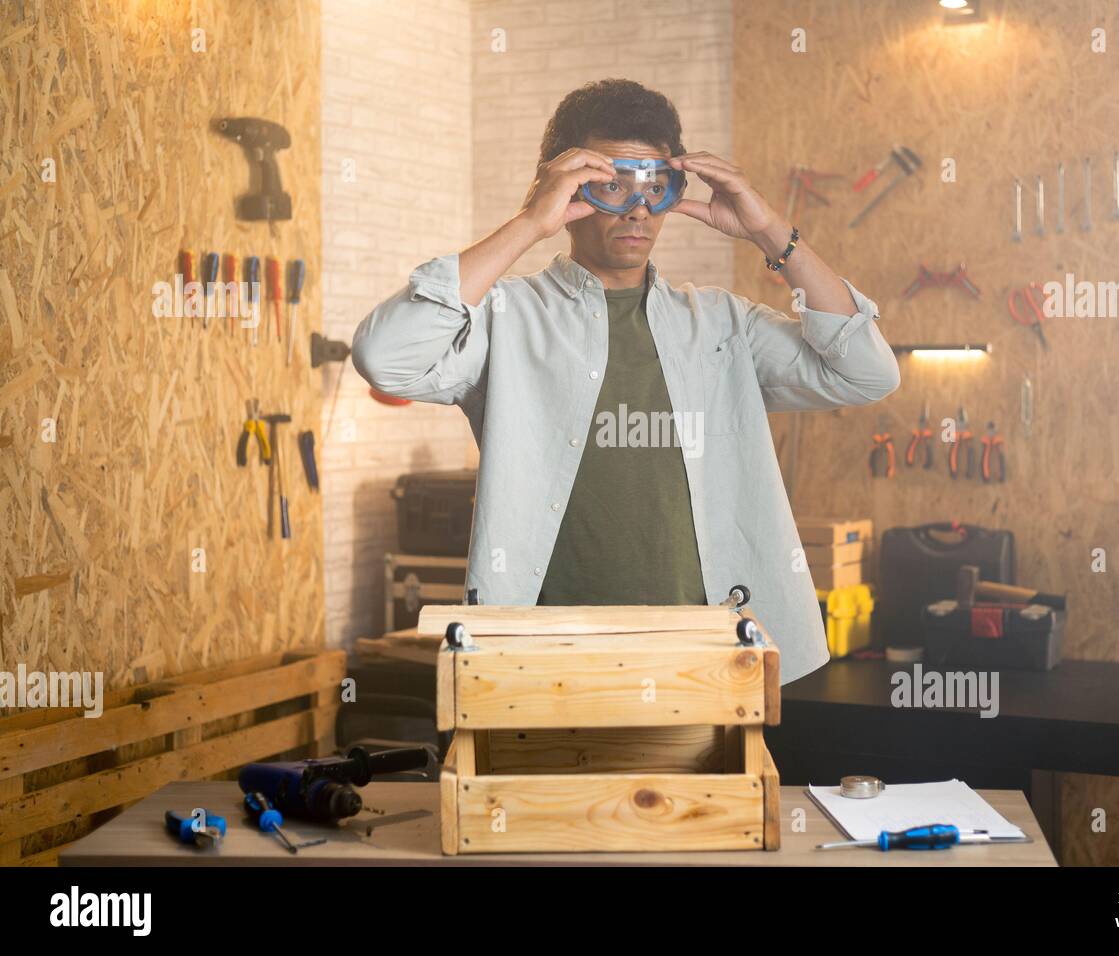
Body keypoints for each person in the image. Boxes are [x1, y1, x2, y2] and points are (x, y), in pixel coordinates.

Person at [352, 78, 898, 683]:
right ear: (565, 187)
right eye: (612, 184)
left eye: (655, 187)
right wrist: (529, 222)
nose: (638, 209)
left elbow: (866, 373)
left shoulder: (720, 325)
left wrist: (771, 230)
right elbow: (386, 356)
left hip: (706, 661)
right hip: (538, 662)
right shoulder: (506, 320)